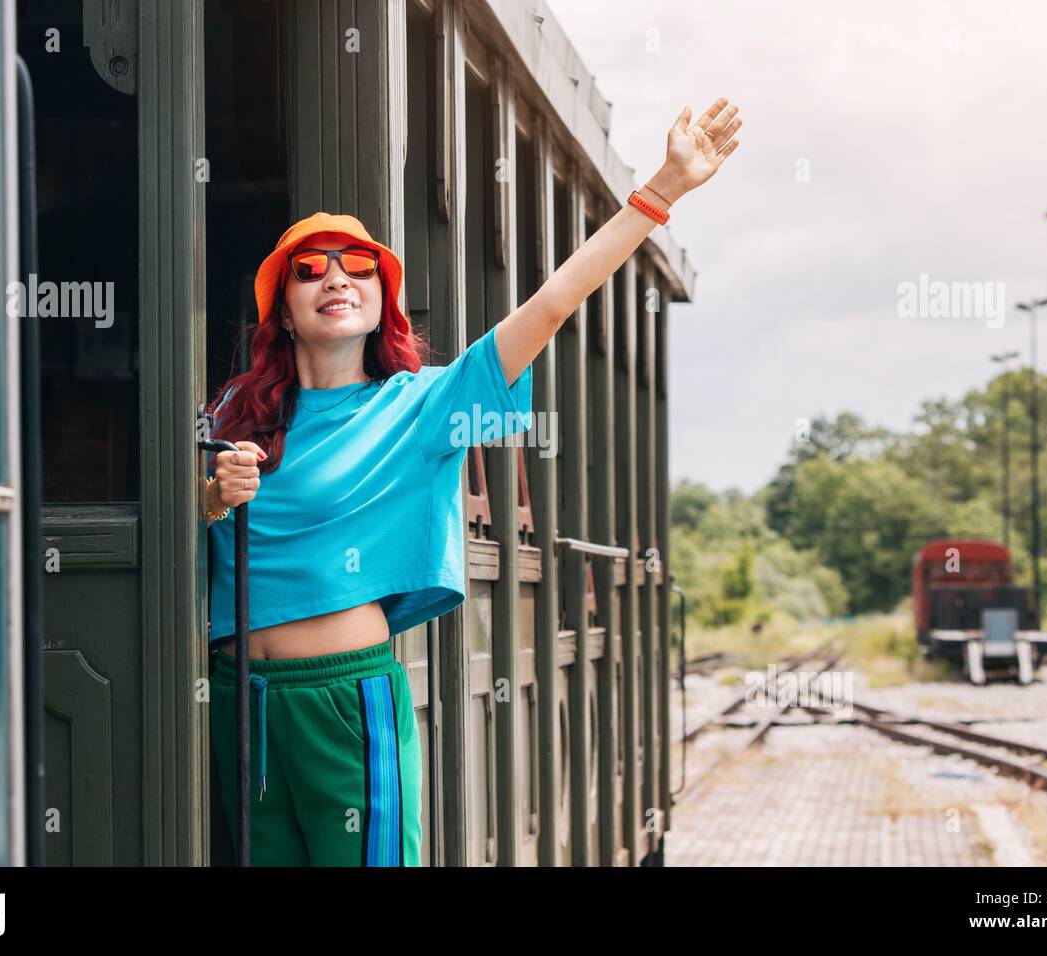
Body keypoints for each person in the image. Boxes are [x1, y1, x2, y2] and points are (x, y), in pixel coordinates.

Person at [203, 96, 742, 866]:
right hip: (239, 701)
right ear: (282, 309)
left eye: (357, 267)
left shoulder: (423, 406)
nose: (335, 276)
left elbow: (552, 307)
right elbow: (181, 527)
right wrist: (212, 497)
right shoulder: (233, 410)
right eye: (308, 268)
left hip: (345, 699)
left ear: (379, 300)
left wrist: (661, 191)